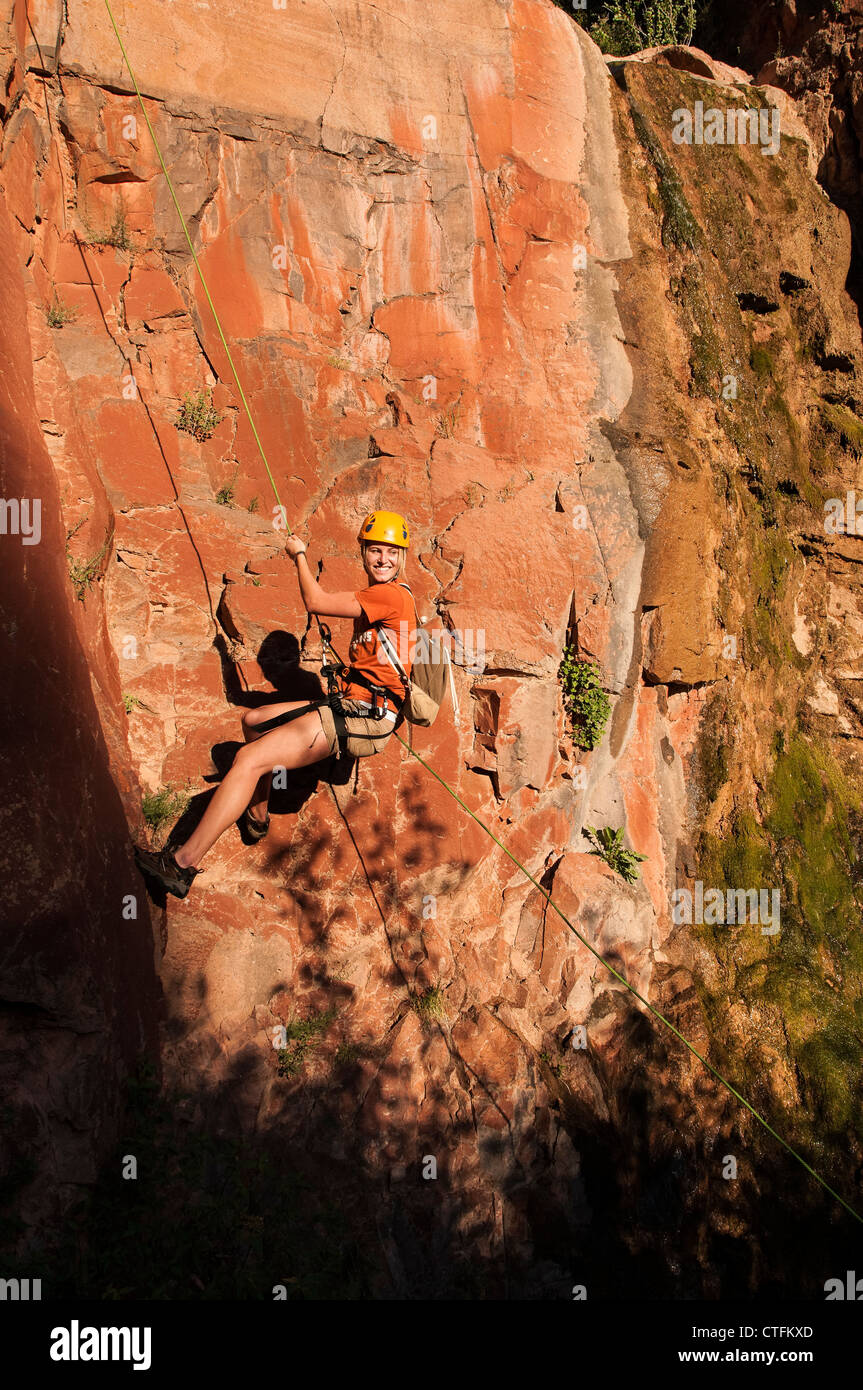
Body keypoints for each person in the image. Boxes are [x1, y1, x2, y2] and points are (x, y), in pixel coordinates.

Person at [134, 510, 416, 898]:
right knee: (254, 720)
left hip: (363, 716)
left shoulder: (390, 595)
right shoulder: (382, 596)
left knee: (247, 760)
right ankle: (257, 813)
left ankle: (181, 864)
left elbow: (314, 601)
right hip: (354, 704)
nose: (383, 559)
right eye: (375, 551)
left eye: (391, 552)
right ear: (364, 553)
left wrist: (299, 555)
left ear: (403, 558)